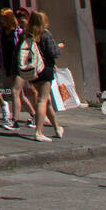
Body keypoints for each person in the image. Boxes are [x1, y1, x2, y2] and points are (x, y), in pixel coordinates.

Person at [20, 10, 64, 143]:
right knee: (42, 100)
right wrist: (60, 47)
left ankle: (57, 128)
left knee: (46, 100)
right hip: (45, 69)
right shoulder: (45, 34)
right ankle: (39, 132)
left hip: (33, 70)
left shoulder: (28, 35)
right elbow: (53, 53)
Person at [0, 8, 38, 128]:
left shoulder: (19, 32)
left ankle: (15, 121)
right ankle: (34, 115)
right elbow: (0, 49)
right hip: (8, 63)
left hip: (20, 65)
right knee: (19, 94)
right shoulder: (2, 31)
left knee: (15, 91)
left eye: (4, 19)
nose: (2, 21)